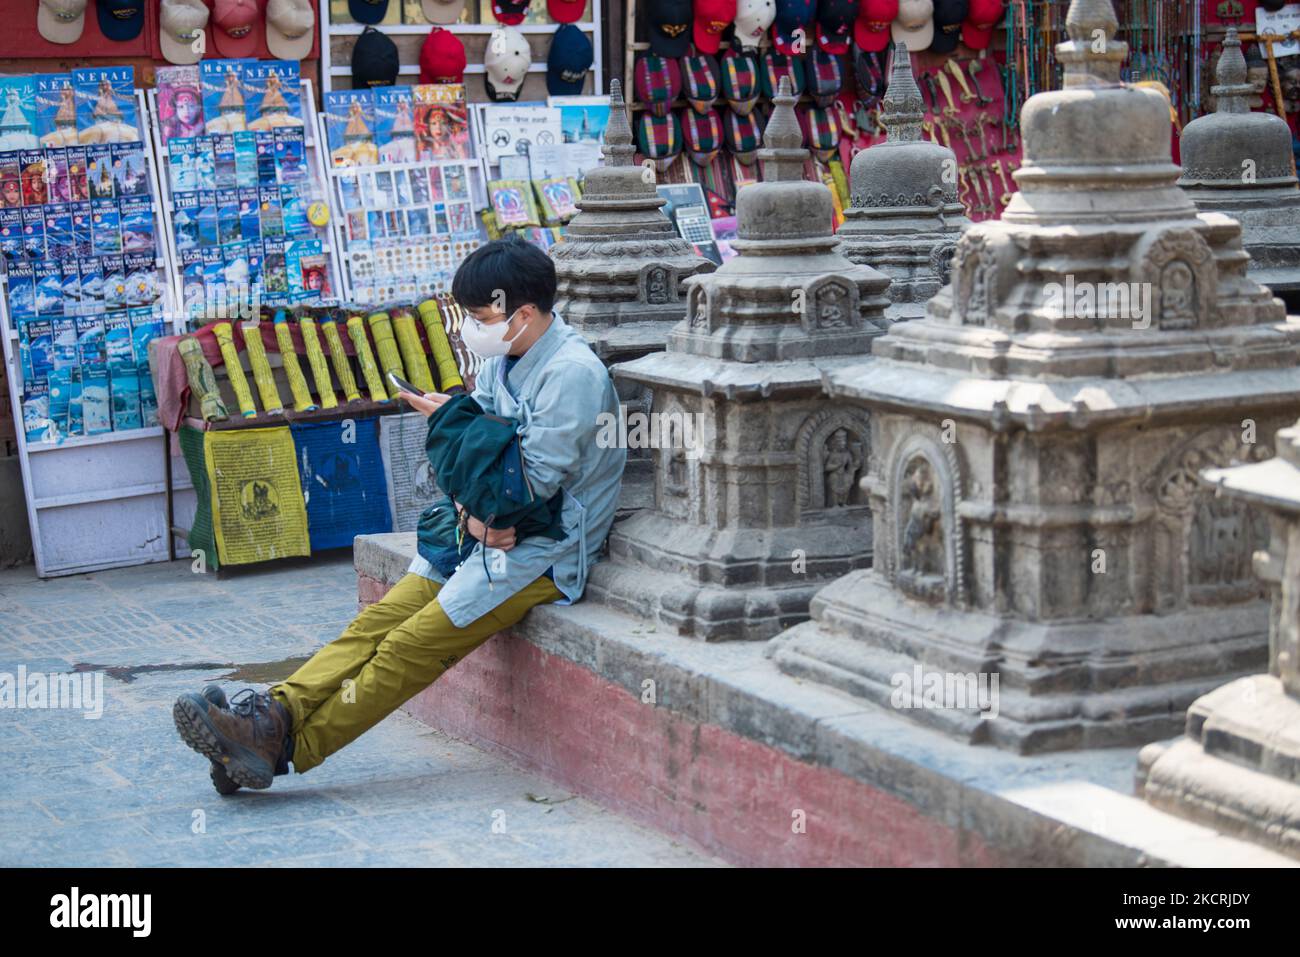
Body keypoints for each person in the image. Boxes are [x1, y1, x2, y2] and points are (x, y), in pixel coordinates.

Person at [172, 237, 627, 792]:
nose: (472, 328)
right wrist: (470, 507)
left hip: (544, 552)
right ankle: (272, 716)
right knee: (375, 624)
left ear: (523, 313)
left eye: (482, 316)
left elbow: (523, 486)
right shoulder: (505, 360)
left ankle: (286, 749)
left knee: (407, 647)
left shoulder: (572, 374)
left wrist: (461, 440)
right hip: (481, 535)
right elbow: (470, 467)